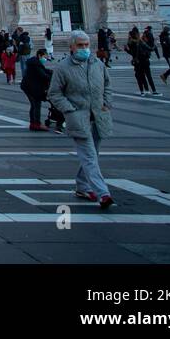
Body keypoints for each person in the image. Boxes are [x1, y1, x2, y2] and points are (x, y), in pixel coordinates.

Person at [48, 31, 115, 208]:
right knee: (90, 156)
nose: (84, 48)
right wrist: (69, 110)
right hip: (78, 117)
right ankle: (103, 193)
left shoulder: (97, 64)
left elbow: (107, 85)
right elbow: (54, 93)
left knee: (92, 155)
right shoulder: (63, 67)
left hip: (99, 116)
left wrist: (107, 103)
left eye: (86, 45)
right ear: (71, 47)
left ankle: (82, 185)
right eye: (80, 45)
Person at [22, 48, 52, 131]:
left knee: (34, 105)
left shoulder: (35, 62)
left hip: (29, 86)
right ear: (40, 55)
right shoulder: (35, 64)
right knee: (36, 104)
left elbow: (44, 70)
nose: (46, 59)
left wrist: (52, 72)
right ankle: (37, 124)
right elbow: (43, 75)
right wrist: (51, 77)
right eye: (45, 57)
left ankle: (33, 123)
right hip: (30, 88)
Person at [125, 29, 158, 96]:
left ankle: (143, 91)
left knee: (140, 76)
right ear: (137, 35)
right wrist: (155, 45)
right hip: (144, 60)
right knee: (149, 76)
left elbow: (132, 53)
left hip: (137, 62)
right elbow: (150, 48)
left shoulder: (130, 43)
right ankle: (154, 91)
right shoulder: (140, 41)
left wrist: (126, 50)